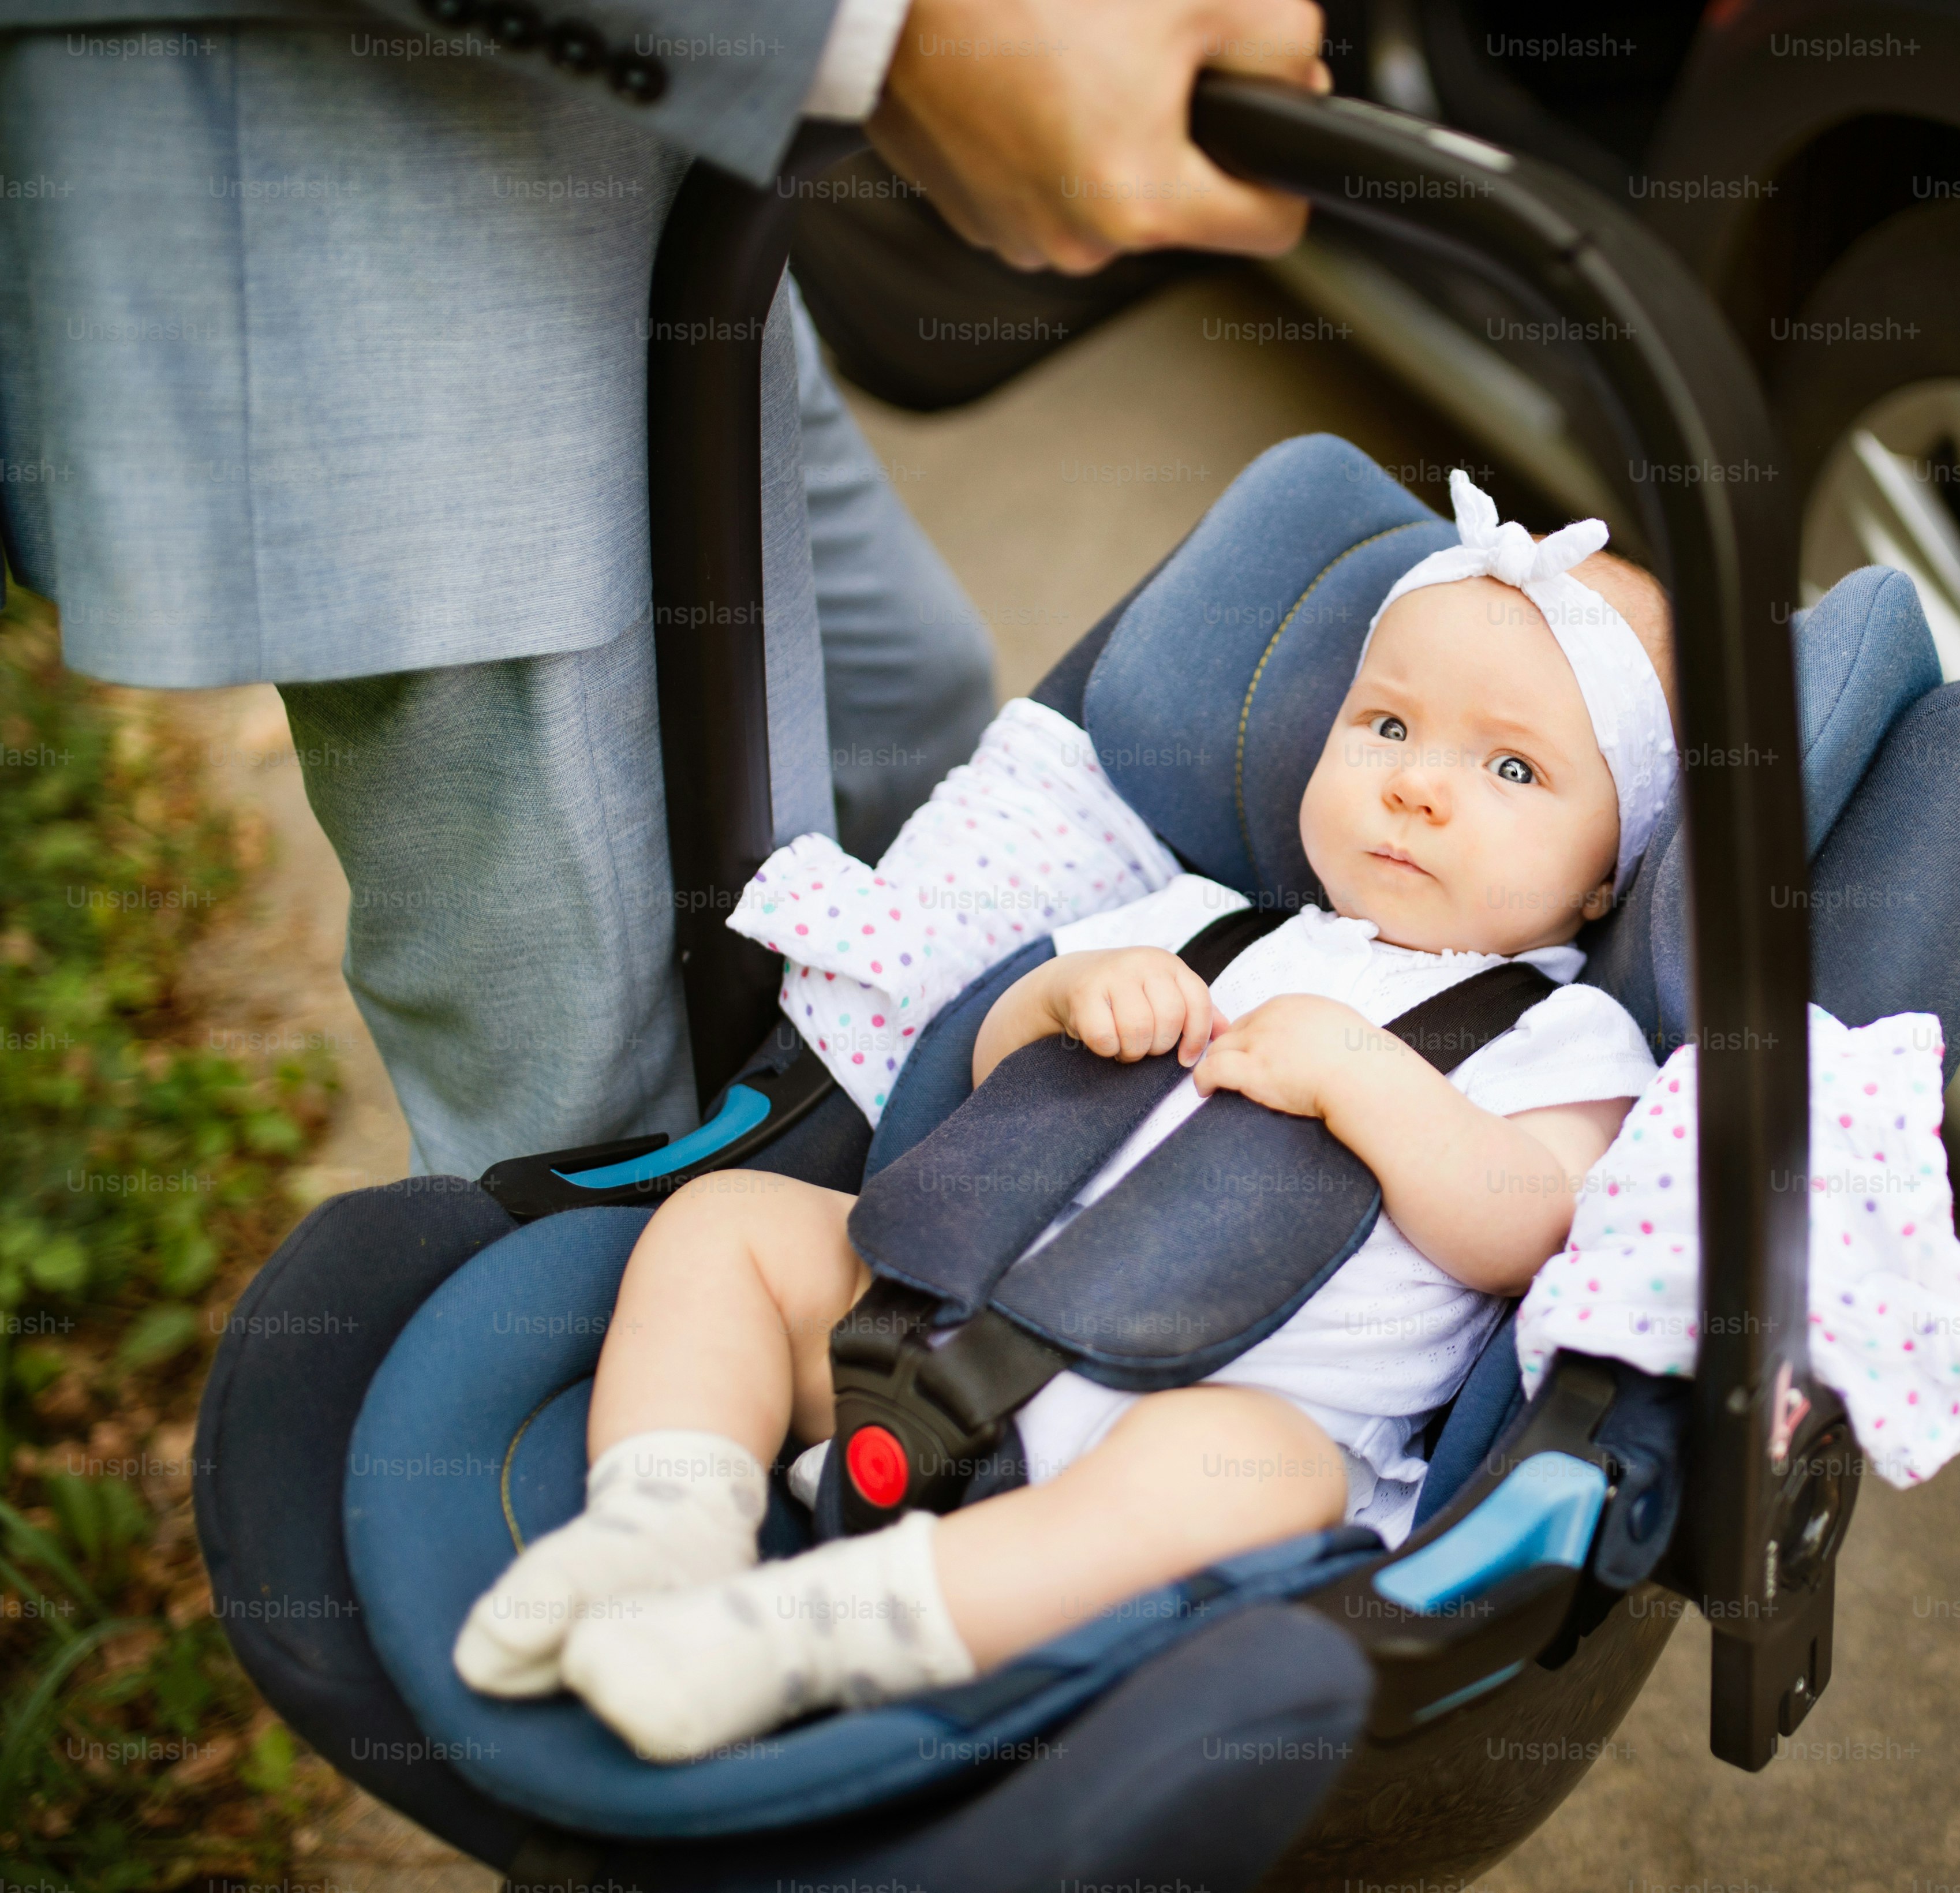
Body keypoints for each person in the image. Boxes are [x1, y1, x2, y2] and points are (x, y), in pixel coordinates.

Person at [448, 479, 1679, 1761]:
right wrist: (1071, 993)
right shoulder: (1199, 920)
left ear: (1607, 867)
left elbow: (1529, 1224)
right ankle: (662, 1519)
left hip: (1204, 1422)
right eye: (1385, 723)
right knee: (731, 1226)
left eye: (1512, 765)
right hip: (925, 1319)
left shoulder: (1569, 1041)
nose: (1419, 785)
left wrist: (1364, 1076)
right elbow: (979, 1061)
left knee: (1262, 1471)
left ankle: (813, 1629)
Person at [0, 0, 1334, 1176]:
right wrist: (899, 26)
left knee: (904, 704)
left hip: (661, 157)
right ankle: (614, 1417)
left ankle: (888, 1155)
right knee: (599, 1083)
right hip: (367, 154)